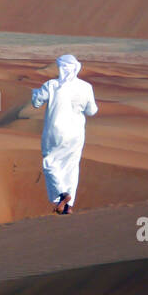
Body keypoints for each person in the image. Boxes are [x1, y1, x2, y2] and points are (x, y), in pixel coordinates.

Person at [31, 54, 97, 215]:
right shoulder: (86, 87)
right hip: (76, 134)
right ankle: (68, 205)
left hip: (56, 131)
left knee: (50, 162)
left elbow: (36, 102)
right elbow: (92, 111)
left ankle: (62, 194)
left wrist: (35, 92)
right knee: (71, 166)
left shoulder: (52, 85)